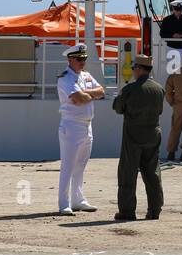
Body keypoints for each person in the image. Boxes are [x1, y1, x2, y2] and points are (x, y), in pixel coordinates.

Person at [110, 52, 165, 220]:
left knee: (128, 173)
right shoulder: (158, 89)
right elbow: (160, 111)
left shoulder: (130, 89)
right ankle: (154, 210)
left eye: (134, 68)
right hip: (153, 134)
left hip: (133, 136)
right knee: (152, 173)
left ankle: (127, 211)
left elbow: (118, 108)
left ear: (140, 69)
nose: (133, 71)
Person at [55, 45, 105, 215]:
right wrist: (88, 94)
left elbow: (101, 91)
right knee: (68, 165)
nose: (82, 62)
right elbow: (79, 99)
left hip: (87, 125)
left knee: (80, 165)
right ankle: (64, 203)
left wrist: (86, 92)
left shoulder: (86, 76)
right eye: (79, 59)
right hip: (72, 125)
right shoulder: (65, 78)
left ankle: (78, 200)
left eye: (84, 59)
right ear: (70, 60)